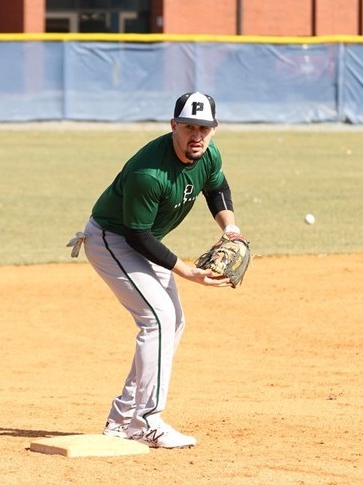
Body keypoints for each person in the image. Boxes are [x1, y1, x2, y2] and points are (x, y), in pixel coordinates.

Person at [67, 92, 243, 449]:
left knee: (172, 322)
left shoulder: (208, 154)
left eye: (205, 128)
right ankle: (146, 422)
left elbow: (216, 187)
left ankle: (122, 420)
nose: (197, 136)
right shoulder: (149, 173)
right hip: (111, 240)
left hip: (142, 239)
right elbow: (136, 234)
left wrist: (231, 229)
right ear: (173, 125)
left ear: (215, 129)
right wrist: (186, 271)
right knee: (158, 318)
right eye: (189, 127)